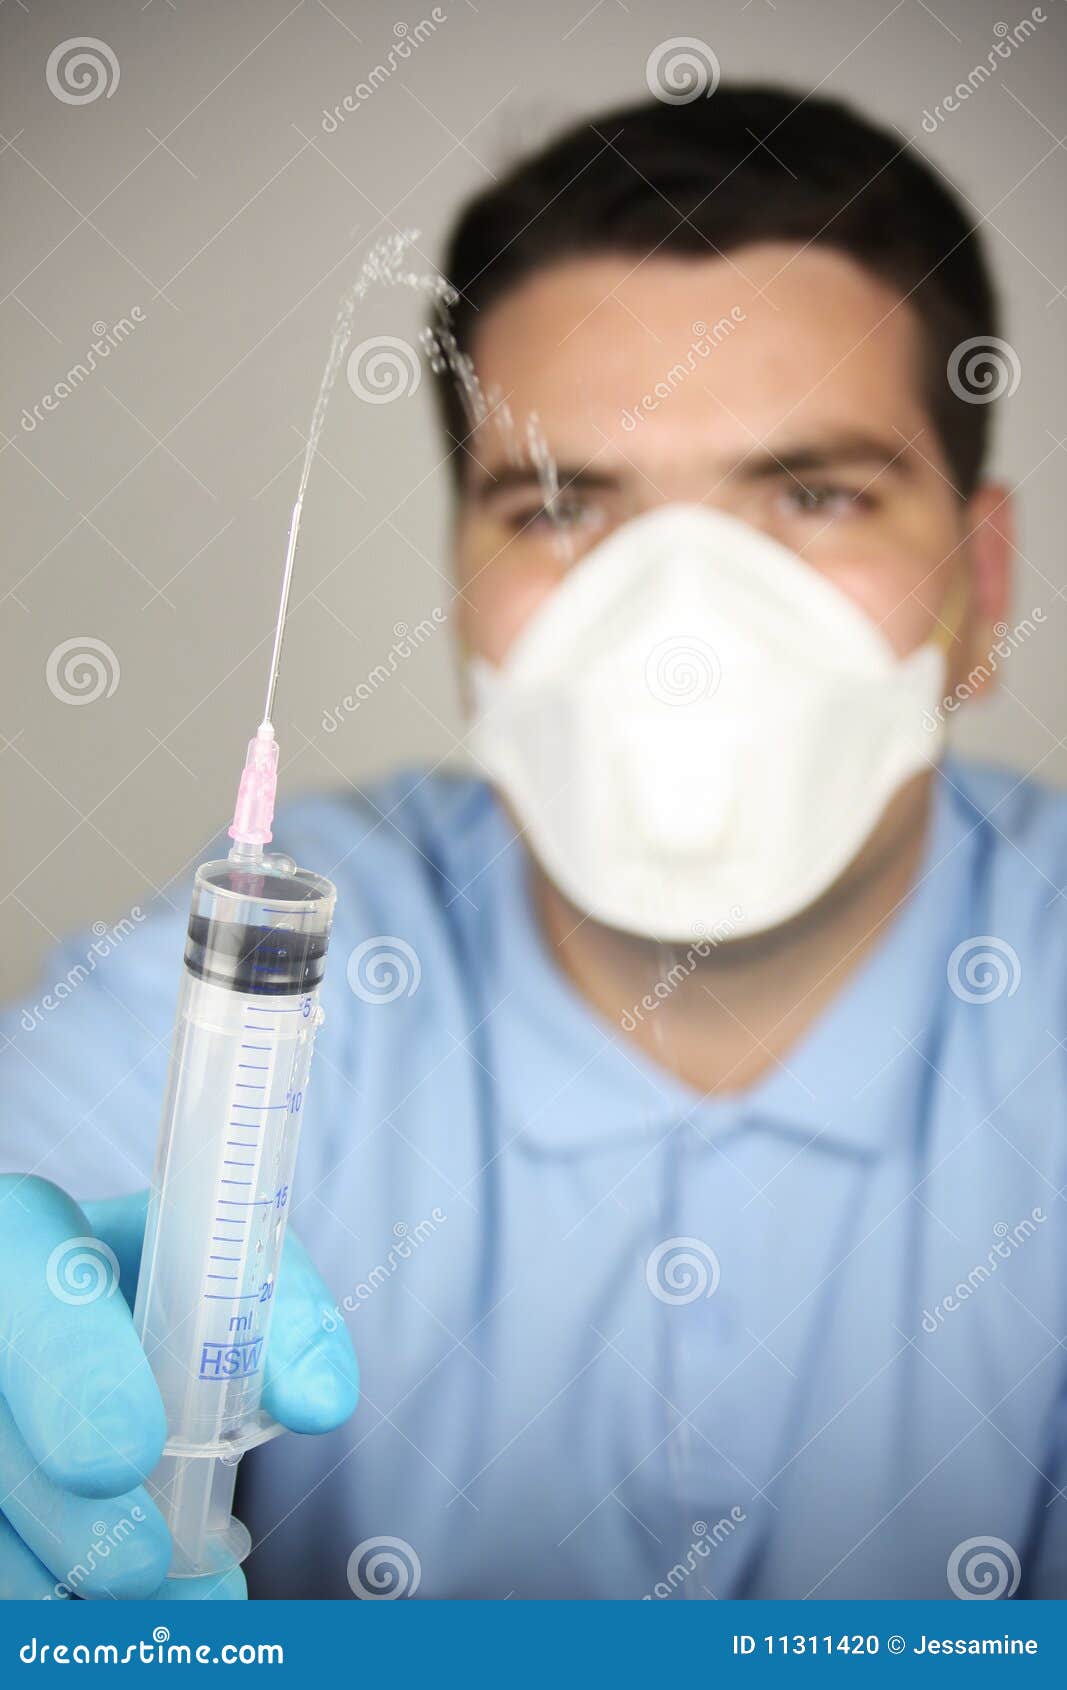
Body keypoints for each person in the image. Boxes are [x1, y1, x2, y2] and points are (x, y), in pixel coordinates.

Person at [2, 83, 1064, 1602]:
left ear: (982, 584)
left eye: (814, 493)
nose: (683, 625)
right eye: (563, 509)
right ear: (463, 595)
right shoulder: (305, 953)